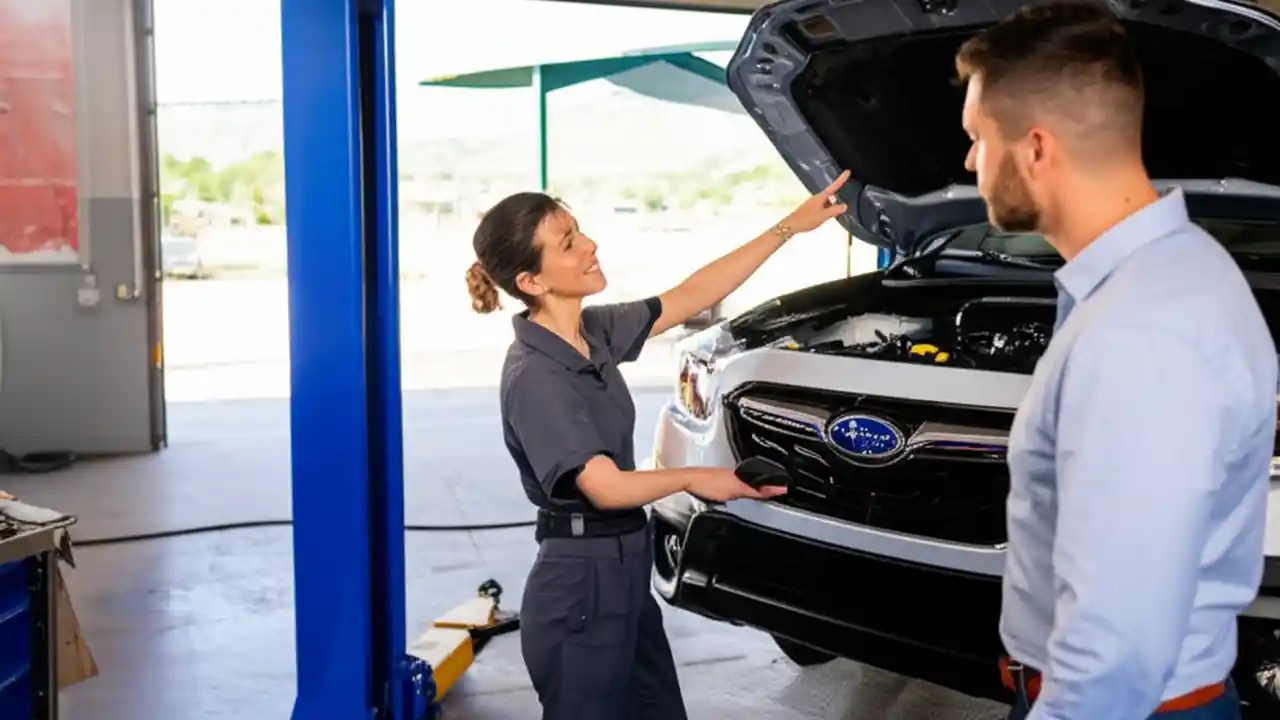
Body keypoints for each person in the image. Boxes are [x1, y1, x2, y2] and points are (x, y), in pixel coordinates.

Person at [953, 1, 1277, 718]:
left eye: (978, 139)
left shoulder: (1142, 330)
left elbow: (1118, 643)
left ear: (1036, 149)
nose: (969, 161)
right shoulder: (1173, 274)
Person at [465, 171, 850, 719]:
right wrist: (696, 477)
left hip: (624, 572)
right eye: (569, 243)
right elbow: (605, 486)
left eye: (580, 231)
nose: (591, 245)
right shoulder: (536, 375)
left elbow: (692, 294)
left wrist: (790, 226)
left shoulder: (591, 331)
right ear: (532, 281)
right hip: (580, 586)